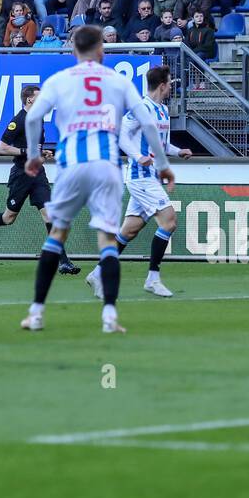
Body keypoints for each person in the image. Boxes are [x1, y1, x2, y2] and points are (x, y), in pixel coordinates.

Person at [20, 25, 174, 334]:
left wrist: (34, 155)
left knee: (57, 235)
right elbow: (146, 122)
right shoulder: (117, 81)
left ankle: (36, 313)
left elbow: (34, 117)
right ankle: (109, 318)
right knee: (107, 239)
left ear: (74, 50)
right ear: (102, 51)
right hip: (107, 166)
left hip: (70, 165)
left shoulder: (59, 81)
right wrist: (164, 164)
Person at [85, 66, 192, 300]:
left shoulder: (162, 111)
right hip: (140, 177)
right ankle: (153, 279)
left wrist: (177, 151)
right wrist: (137, 156)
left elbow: (160, 145)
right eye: (170, 83)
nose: (171, 87)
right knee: (169, 221)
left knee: (130, 230)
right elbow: (121, 135)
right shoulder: (140, 108)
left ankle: (98, 272)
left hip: (151, 178)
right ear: (162, 85)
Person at [0, 85, 79, 274]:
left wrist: (42, 154)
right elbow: (2, 148)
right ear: (29, 100)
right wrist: (25, 151)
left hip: (38, 174)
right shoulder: (19, 120)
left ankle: (63, 262)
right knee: (8, 218)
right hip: (21, 175)